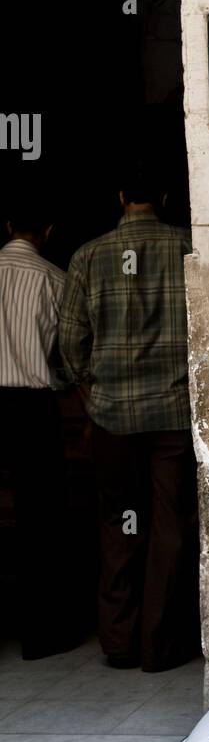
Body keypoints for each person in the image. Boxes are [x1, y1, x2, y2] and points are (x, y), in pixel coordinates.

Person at [59, 162, 200, 672]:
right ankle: (157, 644)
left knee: (123, 523)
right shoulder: (185, 247)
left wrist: (89, 384)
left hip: (113, 419)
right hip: (171, 415)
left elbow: (71, 342)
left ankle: (119, 641)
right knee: (169, 526)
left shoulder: (87, 256)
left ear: (121, 197)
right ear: (161, 195)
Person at [0, 199, 84, 658]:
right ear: (47, 231)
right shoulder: (53, 278)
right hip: (30, 407)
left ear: (8, 224)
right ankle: (41, 634)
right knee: (40, 519)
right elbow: (69, 353)